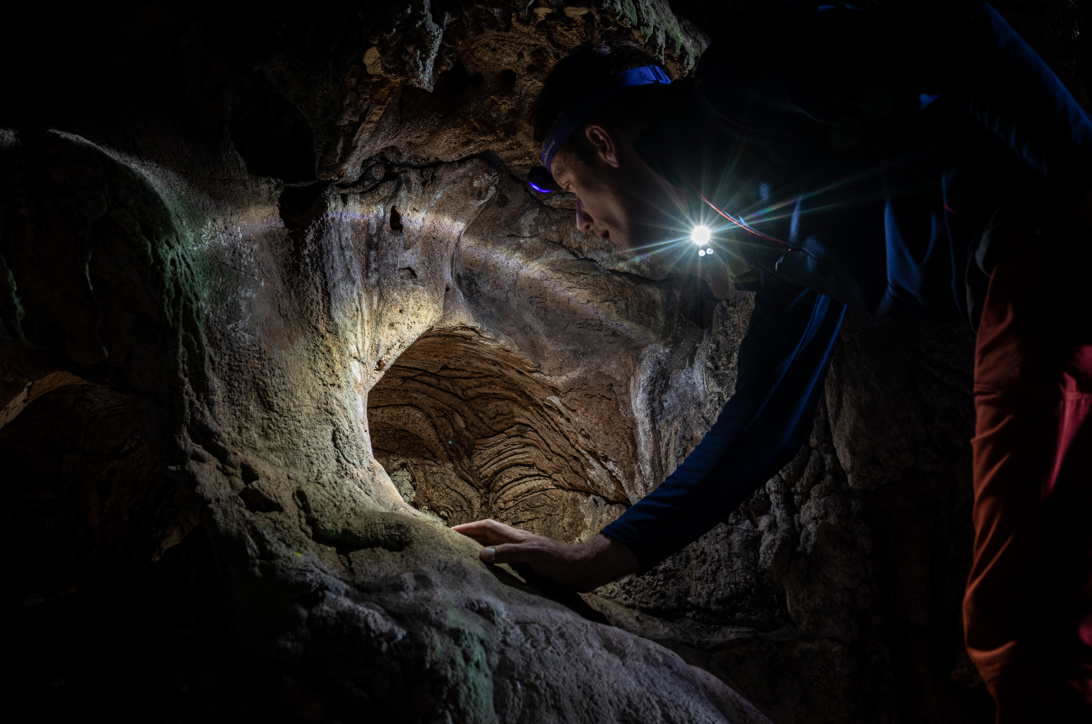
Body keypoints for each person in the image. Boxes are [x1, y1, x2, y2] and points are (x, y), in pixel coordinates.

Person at [454, 1, 1092, 719]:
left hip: (1048, 246)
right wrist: (598, 556)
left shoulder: (742, 81)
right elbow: (764, 419)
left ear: (603, 142)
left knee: (1019, 620)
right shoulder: (771, 238)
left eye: (571, 189)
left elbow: (958, 33)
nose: (582, 223)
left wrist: (1084, 180)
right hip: (1036, 278)